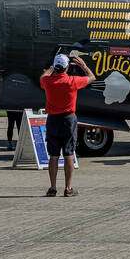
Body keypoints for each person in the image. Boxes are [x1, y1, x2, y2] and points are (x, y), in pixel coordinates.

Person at [39, 52, 95, 196]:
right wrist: (83, 65)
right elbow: (92, 78)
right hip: (69, 120)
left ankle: (52, 188)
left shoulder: (48, 82)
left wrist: (51, 68)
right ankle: (68, 188)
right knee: (69, 154)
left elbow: (43, 77)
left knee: (53, 156)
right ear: (66, 68)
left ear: (55, 67)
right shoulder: (72, 81)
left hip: (52, 120)